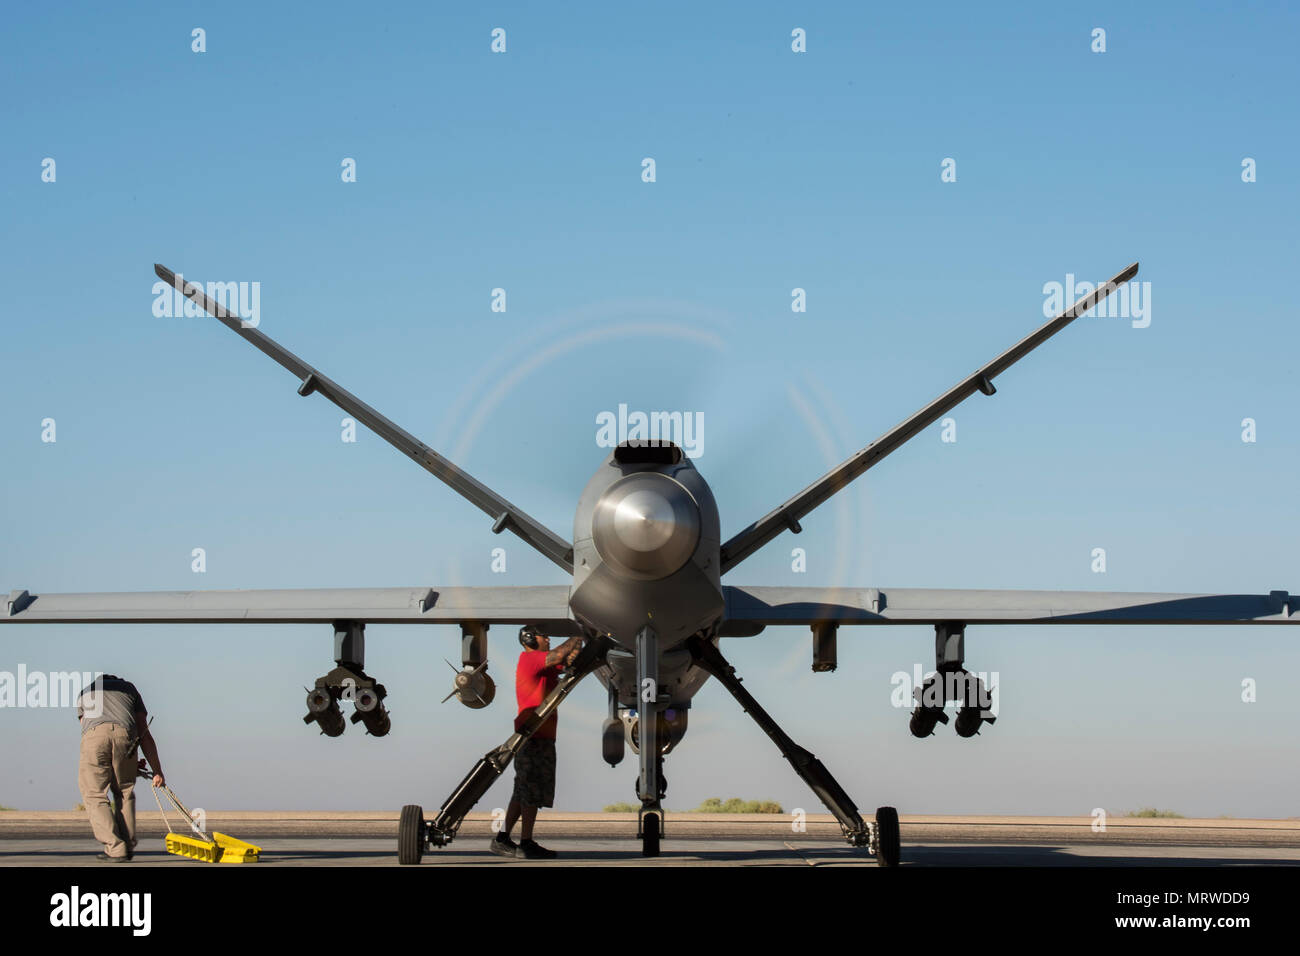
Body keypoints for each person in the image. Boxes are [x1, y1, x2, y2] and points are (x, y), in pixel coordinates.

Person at [490, 626, 582, 860]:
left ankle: (502, 839)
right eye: (544, 635)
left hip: (539, 735)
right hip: (533, 735)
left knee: (522, 790)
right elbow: (562, 655)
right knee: (531, 788)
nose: (548, 638)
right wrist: (581, 633)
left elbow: (571, 658)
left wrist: (579, 643)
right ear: (530, 639)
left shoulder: (544, 666)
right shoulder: (531, 659)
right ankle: (526, 842)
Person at [75, 674, 164, 862]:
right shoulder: (130, 689)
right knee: (124, 790)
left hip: (94, 736)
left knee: (94, 793)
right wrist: (157, 770)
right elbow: (143, 732)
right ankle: (128, 844)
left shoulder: (85, 692)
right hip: (126, 736)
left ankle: (115, 848)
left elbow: (85, 727)